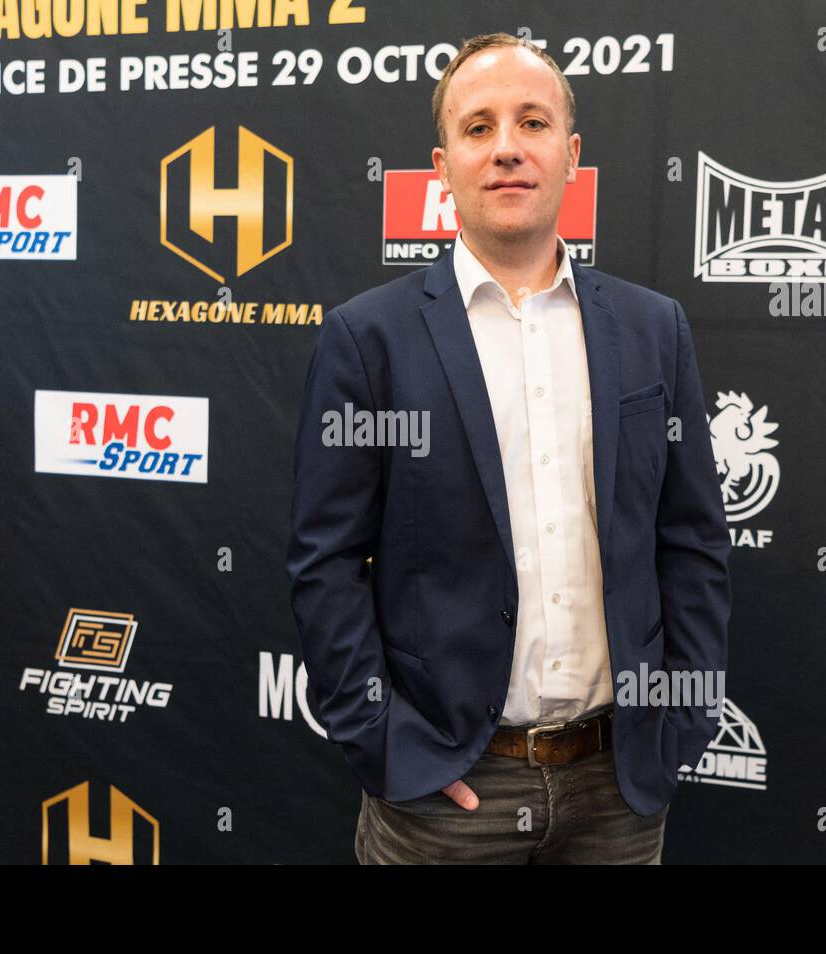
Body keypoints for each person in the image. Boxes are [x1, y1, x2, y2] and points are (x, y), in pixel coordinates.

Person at [287, 32, 731, 864]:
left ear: (570, 154)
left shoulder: (651, 329)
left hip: (620, 790)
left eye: (531, 123)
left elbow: (693, 539)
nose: (506, 149)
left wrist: (682, 722)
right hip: (446, 796)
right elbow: (326, 564)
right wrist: (388, 744)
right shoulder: (367, 338)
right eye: (478, 127)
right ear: (443, 164)